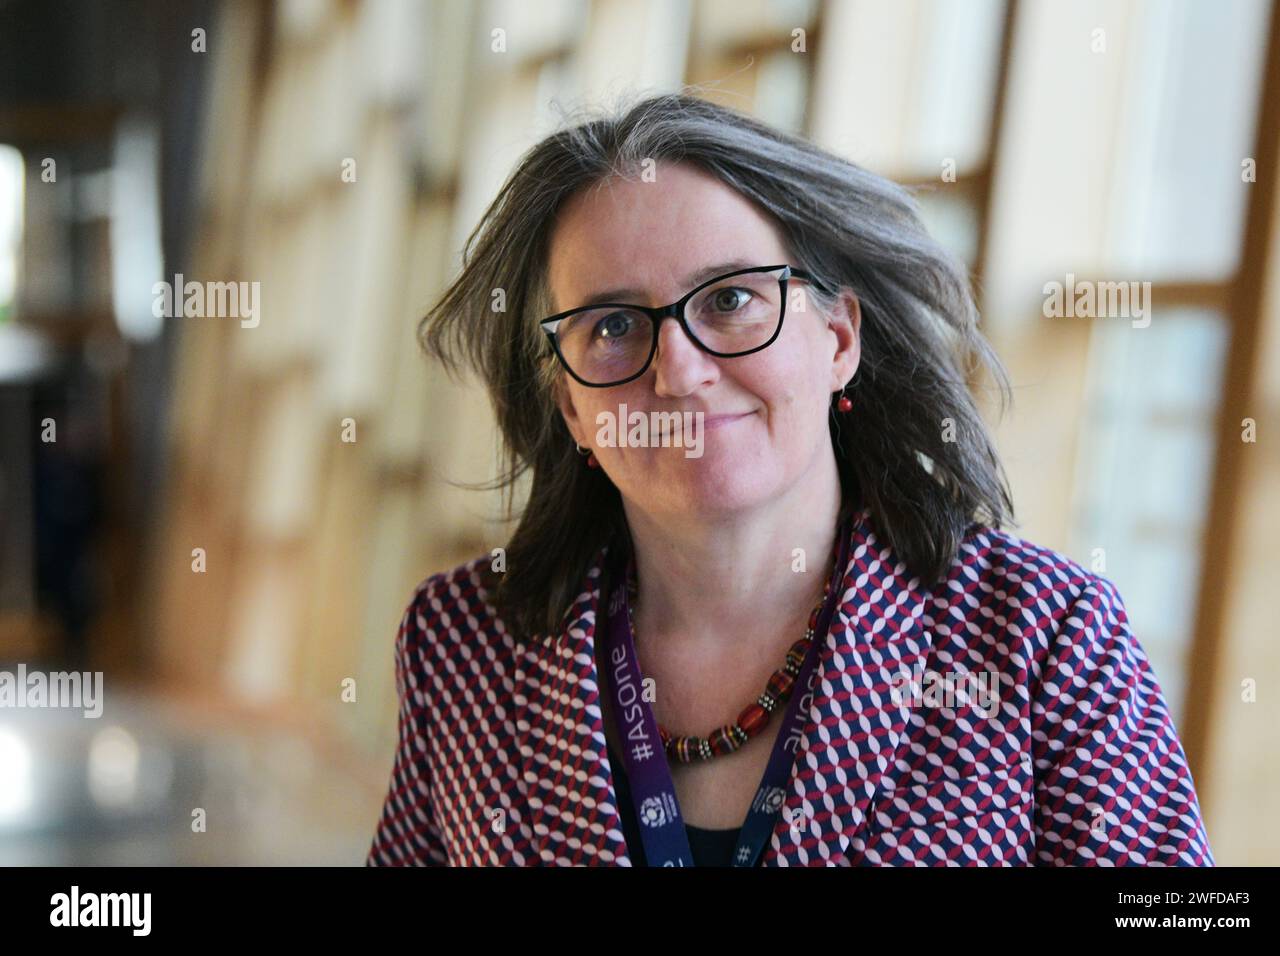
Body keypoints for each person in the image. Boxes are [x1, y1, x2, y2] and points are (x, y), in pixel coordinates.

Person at [366, 92, 1213, 866]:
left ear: (839, 339)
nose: (681, 372)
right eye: (615, 325)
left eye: (730, 300)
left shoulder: (1043, 637)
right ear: (571, 407)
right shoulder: (462, 645)